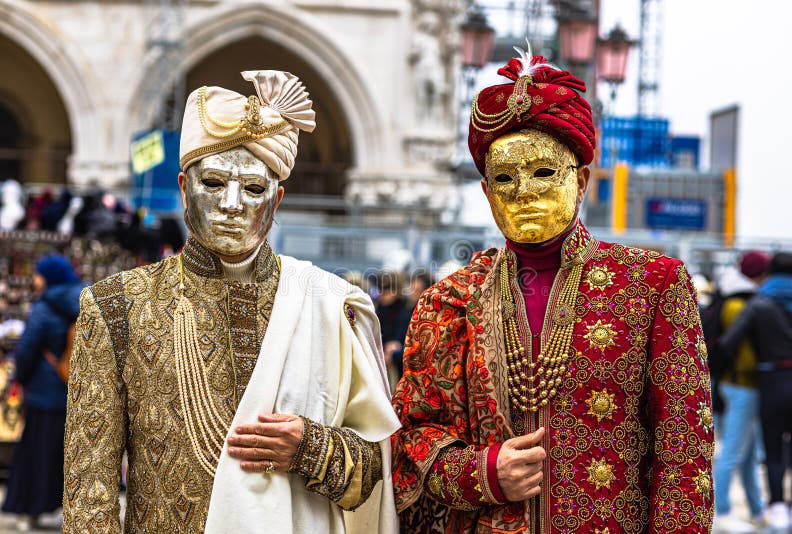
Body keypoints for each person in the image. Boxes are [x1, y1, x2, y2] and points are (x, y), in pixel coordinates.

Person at [391, 49, 714, 533]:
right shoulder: (448, 301)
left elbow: (684, 453)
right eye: (504, 177)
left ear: (581, 180)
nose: (523, 191)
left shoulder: (651, 285)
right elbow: (412, 439)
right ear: (485, 192)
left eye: (544, 172)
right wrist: (482, 473)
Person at [63, 70, 400, 533]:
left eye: (254, 189)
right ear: (183, 188)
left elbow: (376, 475)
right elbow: (89, 498)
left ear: (277, 199)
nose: (232, 204)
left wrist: (308, 448)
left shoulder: (329, 305)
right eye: (214, 183)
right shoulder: (116, 306)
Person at [2, 254, 85, 531]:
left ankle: (31, 509)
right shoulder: (85, 301)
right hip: (74, 389)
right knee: (66, 452)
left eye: (39, 274)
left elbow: (26, 350)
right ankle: (62, 508)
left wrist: (20, 378)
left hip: (44, 390)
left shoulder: (44, 307)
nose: (35, 279)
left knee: (35, 451)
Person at [720, 252, 792, 530]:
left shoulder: (759, 304)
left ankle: (776, 507)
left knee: (773, 449)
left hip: (771, 380)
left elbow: (729, 342)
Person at [711, 251, 769, 533]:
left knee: (747, 454)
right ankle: (720, 511)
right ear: (758, 275)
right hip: (742, 386)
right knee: (732, 450)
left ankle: (757, 511)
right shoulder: (739, 304)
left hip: (738, 385)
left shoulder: (733, 297)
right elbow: (742, 355)